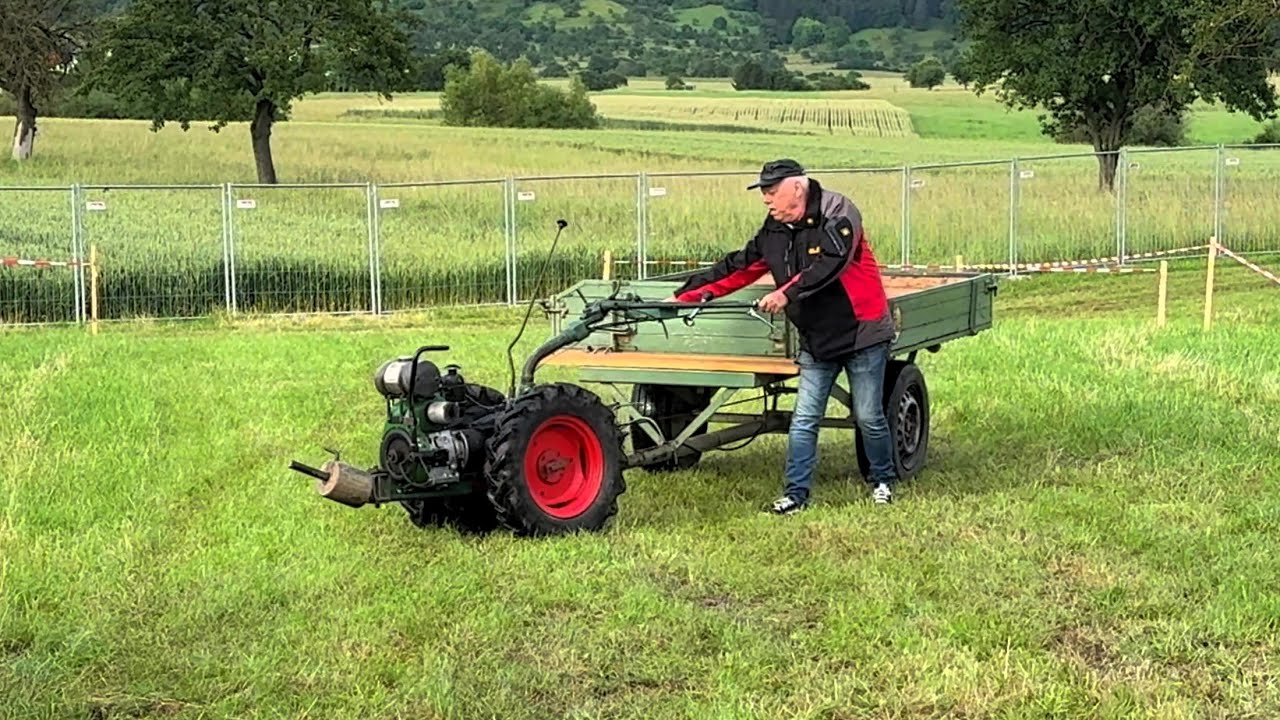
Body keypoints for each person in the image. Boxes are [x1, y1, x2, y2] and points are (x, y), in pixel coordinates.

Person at [667, 159, 898, 512]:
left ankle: (883, 480)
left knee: (868, 416)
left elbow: (829, 266)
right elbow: (740, 265)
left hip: (861, 333)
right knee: (804, 419)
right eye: (764, 193)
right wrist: (686, 295)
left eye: (772, 192)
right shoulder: (775, 228)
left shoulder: (838, 212)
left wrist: (784, 293)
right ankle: (796, 495)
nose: (766, 200)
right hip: (817, 338)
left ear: (797, 188)